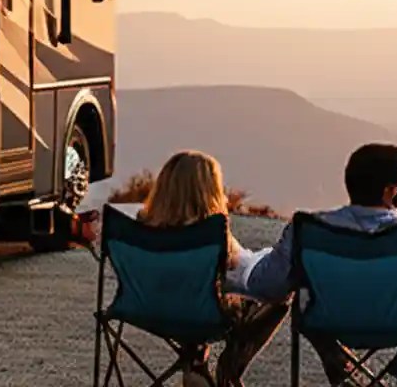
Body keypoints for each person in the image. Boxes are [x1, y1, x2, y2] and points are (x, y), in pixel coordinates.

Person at [245, 143, 397, 386]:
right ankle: (396, 377)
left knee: (304, 298)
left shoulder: (307, 230)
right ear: (390, 191)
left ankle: (338, 362)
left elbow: (263, 284)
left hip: (326, 324)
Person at [80, 151, 287, 387]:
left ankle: (196, 362)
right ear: (209, 192)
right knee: (276, 298)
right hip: (203, 317)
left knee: (193, 294)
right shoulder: (212, 234)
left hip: (142, 310)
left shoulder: (139, 229)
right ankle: (227, 371)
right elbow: (243, 271)